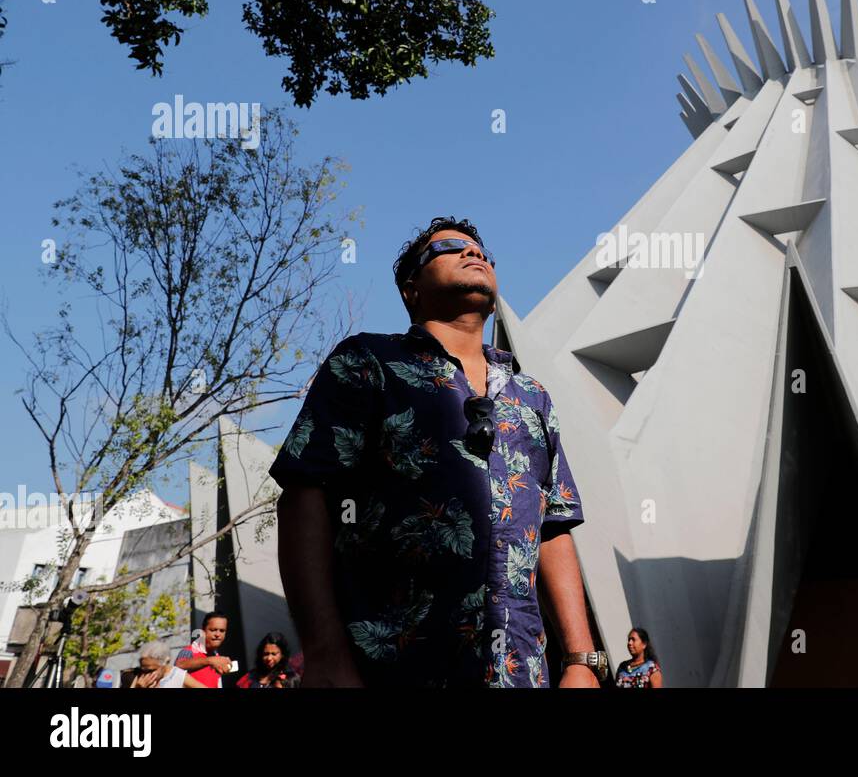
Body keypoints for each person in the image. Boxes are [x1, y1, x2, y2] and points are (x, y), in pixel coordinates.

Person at [272, 217, 607, 688]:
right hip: (394, 667)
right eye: (450, 248)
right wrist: (324, 653)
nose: (475, 254)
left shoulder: (533, 396)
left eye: (482, 252)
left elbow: (553, 527)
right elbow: (305, 496)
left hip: (520, 670)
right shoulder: (367, 363)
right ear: (412, 290)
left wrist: (580, 660)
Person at [175, 612, 233, 688]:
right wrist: (209, 661)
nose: (218, 634)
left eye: (222, 631)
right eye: (213, 630)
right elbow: (178, 667)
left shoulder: (216, 655)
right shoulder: (190, 651)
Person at [125, 641, 208, 688]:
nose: (146, 674)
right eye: (143, 670)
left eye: (150, 670)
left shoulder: (177, 676)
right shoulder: (138, 677)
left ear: (164, 664)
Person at [235, 633, 300, 689]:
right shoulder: (251, 676)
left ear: (282, 655)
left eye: (273, 654)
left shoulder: (289, 678)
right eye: (266, 654)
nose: (269, 658)